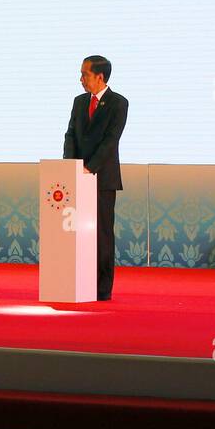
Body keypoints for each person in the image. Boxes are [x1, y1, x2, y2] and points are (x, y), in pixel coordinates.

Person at [63, 55, 128, 301]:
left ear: (100, 76)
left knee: (101, 234)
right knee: (76, 234)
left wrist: (89, 168)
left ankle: (102, 287)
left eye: (85, 75)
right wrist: (71, 166)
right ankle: (79, 282)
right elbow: (70, 134)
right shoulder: (79, 102)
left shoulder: (118, 103)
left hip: (102, 178)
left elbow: (111, 140)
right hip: (76, 178)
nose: (81, 79)